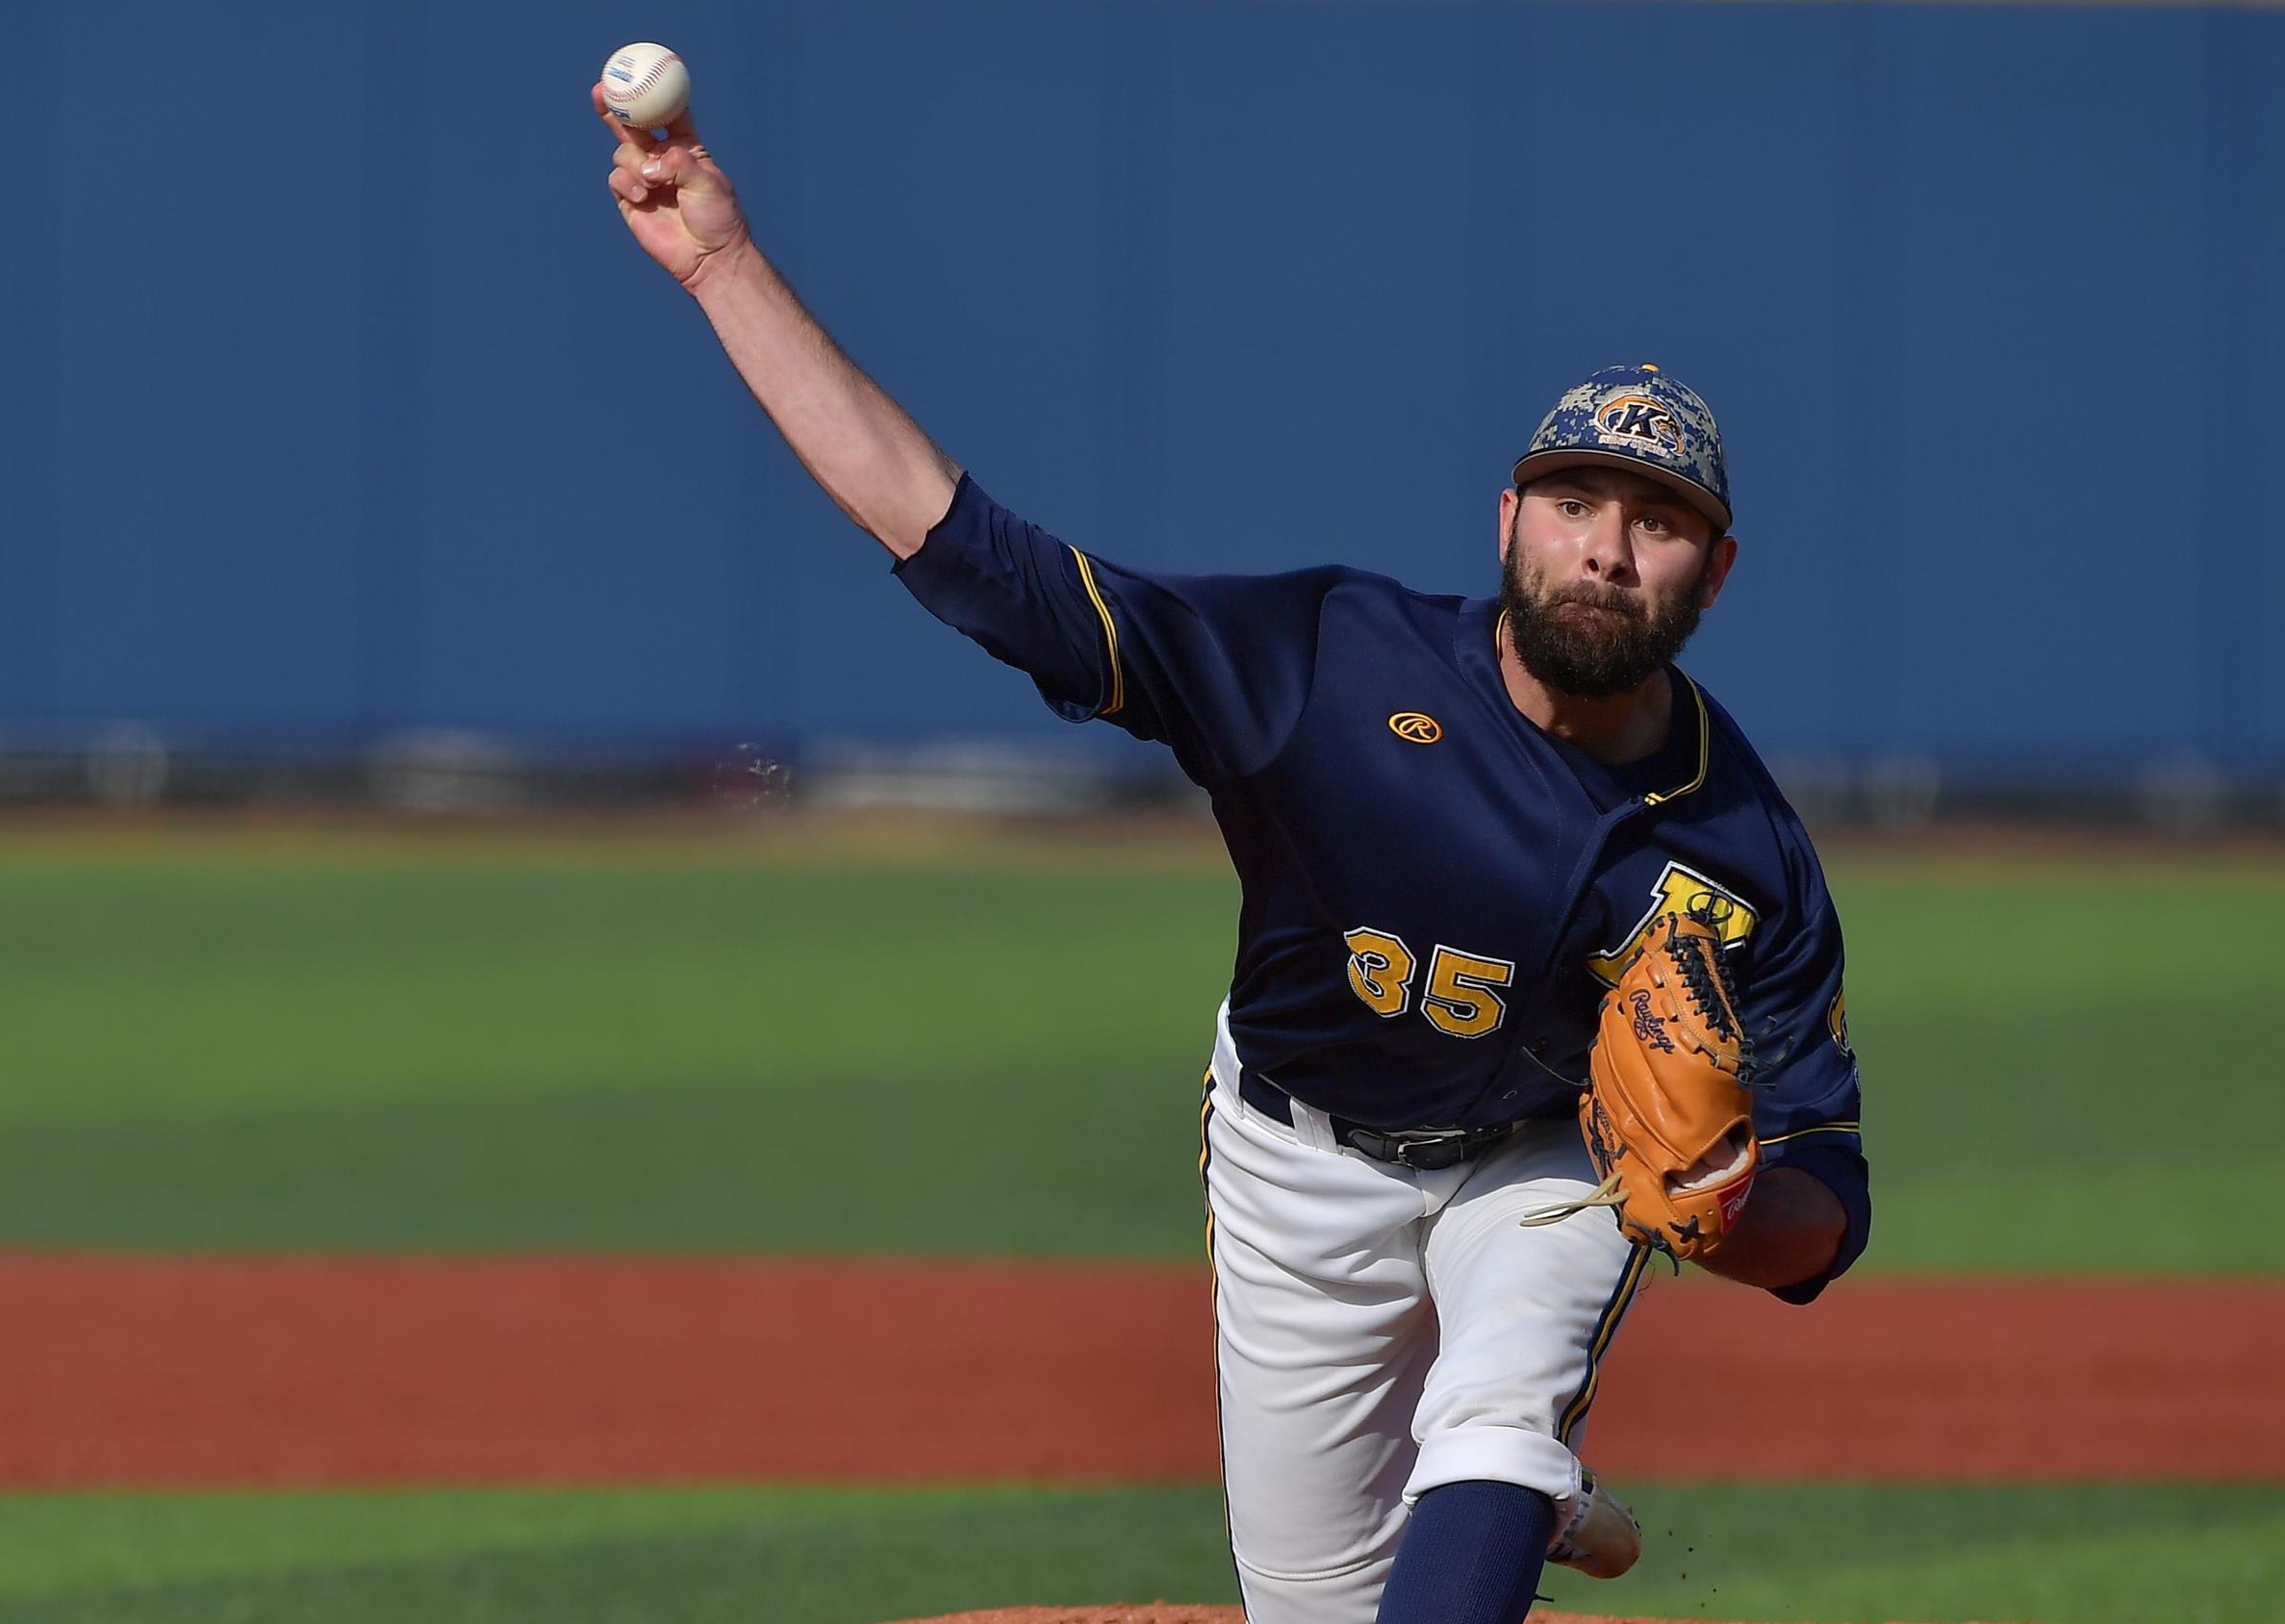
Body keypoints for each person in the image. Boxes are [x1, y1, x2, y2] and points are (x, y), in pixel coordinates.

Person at [595, 87, 1868, 1624]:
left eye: (1656, 524)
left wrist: (1724, 1202)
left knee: (1502, 1392)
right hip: (1298, 1166)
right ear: (1507, 520)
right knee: (1315, 1607)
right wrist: (726, 268)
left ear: (1715, 572)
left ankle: (1507, 1471)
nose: (1605, 547)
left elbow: (1824, 1210)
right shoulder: (1328, 667)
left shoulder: (1747, 853)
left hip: (1548, 1161)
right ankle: (1515, 1505)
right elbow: (978, 562)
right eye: (1576, 503)